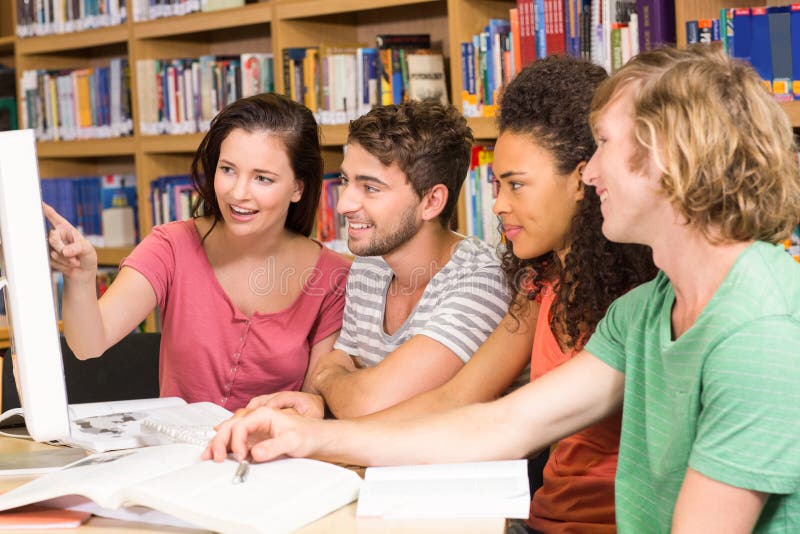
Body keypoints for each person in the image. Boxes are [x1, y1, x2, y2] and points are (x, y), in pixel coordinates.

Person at [206, 45, 800, 532]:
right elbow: (502, 424)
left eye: (606, 148)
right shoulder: (646, 310)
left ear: (670, 157)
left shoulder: (760, 332)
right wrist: (308, 435)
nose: (591, 174)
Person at [232, 57, 657, 532]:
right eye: (497, 185)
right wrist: (315, 430)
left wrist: (320, 430)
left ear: (580, 181)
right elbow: (460, 401)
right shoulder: (540, 283)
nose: (497, 205)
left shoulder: (638, 306)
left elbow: (492, 421)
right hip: (537, 517)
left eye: (515, 184)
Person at [45, 93, 350, 411]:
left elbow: (315, 403)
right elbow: (88, 345)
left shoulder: (332, 278)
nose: (238, 193)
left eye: (262, 178)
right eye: (228, 169)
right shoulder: (171, 246)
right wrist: (80, 278)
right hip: (177, 455)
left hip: (273, 455)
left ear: (298, 187)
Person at [250, 100, 511, 420]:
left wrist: (330, 382)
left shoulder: (482, 281)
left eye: (370, 188)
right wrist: (334, 381)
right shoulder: (371, 264)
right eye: (346, 180)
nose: (344, 204)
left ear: (432, 202)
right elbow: (336, 362)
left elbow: (366, 402)